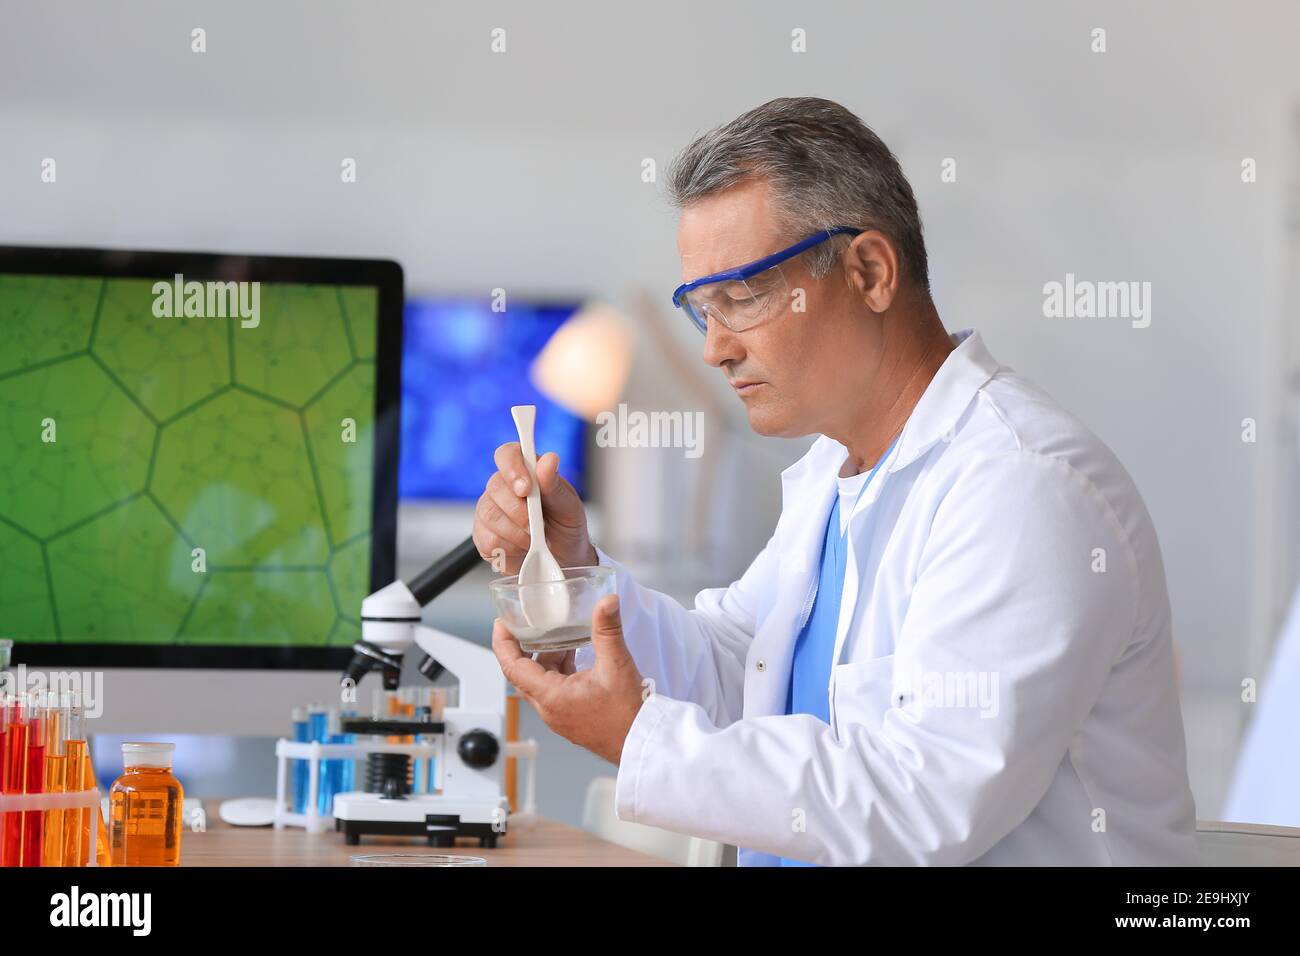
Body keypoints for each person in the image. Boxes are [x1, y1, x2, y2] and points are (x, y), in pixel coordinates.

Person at [474, 96, 1199, 865]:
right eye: (702, 308)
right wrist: (573, 574)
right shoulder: (835, 470)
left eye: (742, 298)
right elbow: (737, 672)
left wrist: (638, 739)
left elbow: (924, 805)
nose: (716, 349)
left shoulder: (1020, 489)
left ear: (869, 271)